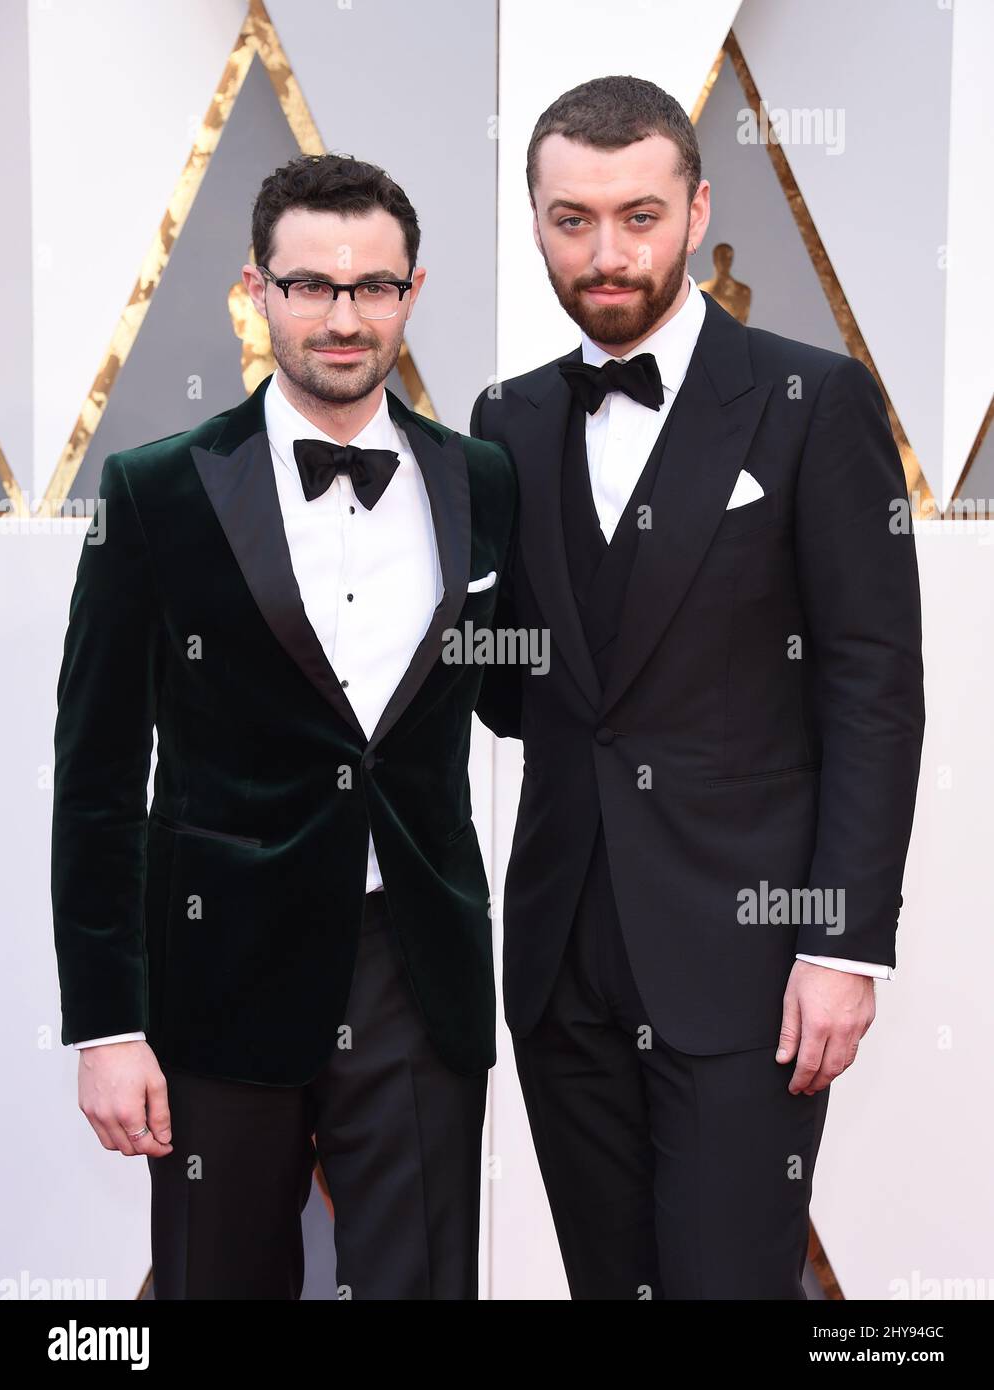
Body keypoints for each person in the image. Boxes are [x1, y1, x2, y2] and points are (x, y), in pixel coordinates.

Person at [471, 75, 925, 1299]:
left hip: (749, 960)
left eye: (639, 215)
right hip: (564, 952)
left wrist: (843, 939)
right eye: (574, 219)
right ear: (535, 223)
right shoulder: (503, 421)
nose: (607, 251)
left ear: (696, 207)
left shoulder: (811, 399)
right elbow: (521, 697)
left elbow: (874, 687)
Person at [51, 153, 516, 1300]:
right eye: (311, 284)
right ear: (257, 290)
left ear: (412, 293)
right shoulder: (152, 491)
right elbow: (98, 778)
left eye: (371, 286)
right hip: (216, 971)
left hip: (416, 967)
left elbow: (522, 697)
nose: (343, 316)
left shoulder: (484, 480)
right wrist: (106, 1025)